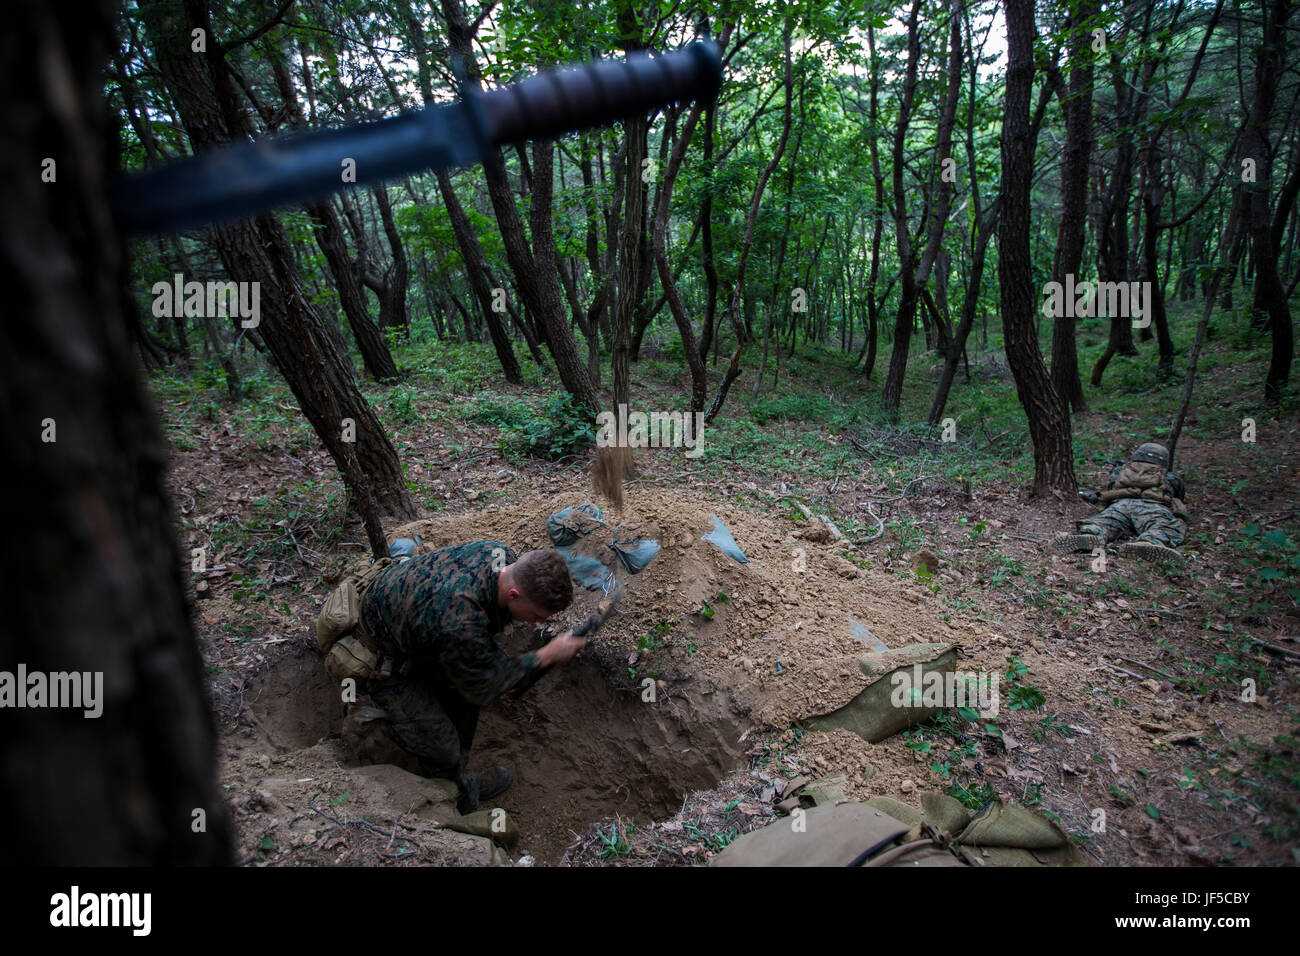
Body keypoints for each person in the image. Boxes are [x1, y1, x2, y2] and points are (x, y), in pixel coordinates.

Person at [348, 541, 585, 814]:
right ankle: (453, 798)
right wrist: (545, 656)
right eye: (537, 615)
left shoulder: (500, 555)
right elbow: (483, 687)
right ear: (514, 594)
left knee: (463, 708)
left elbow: (477, 651)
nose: (539, 623)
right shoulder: (460, 620)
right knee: (444, 749)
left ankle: (456, 776)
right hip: (382, 662)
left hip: (419, 631)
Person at [1049, 442, 1189, 562]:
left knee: (1104, 522)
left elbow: (1112, 487)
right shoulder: (1170, 477)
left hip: (1120, 505)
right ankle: (1149, 543)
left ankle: (1090, 534)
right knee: (1164, 526)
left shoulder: (1121, 470)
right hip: (1153, 507)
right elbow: (1179, 497)